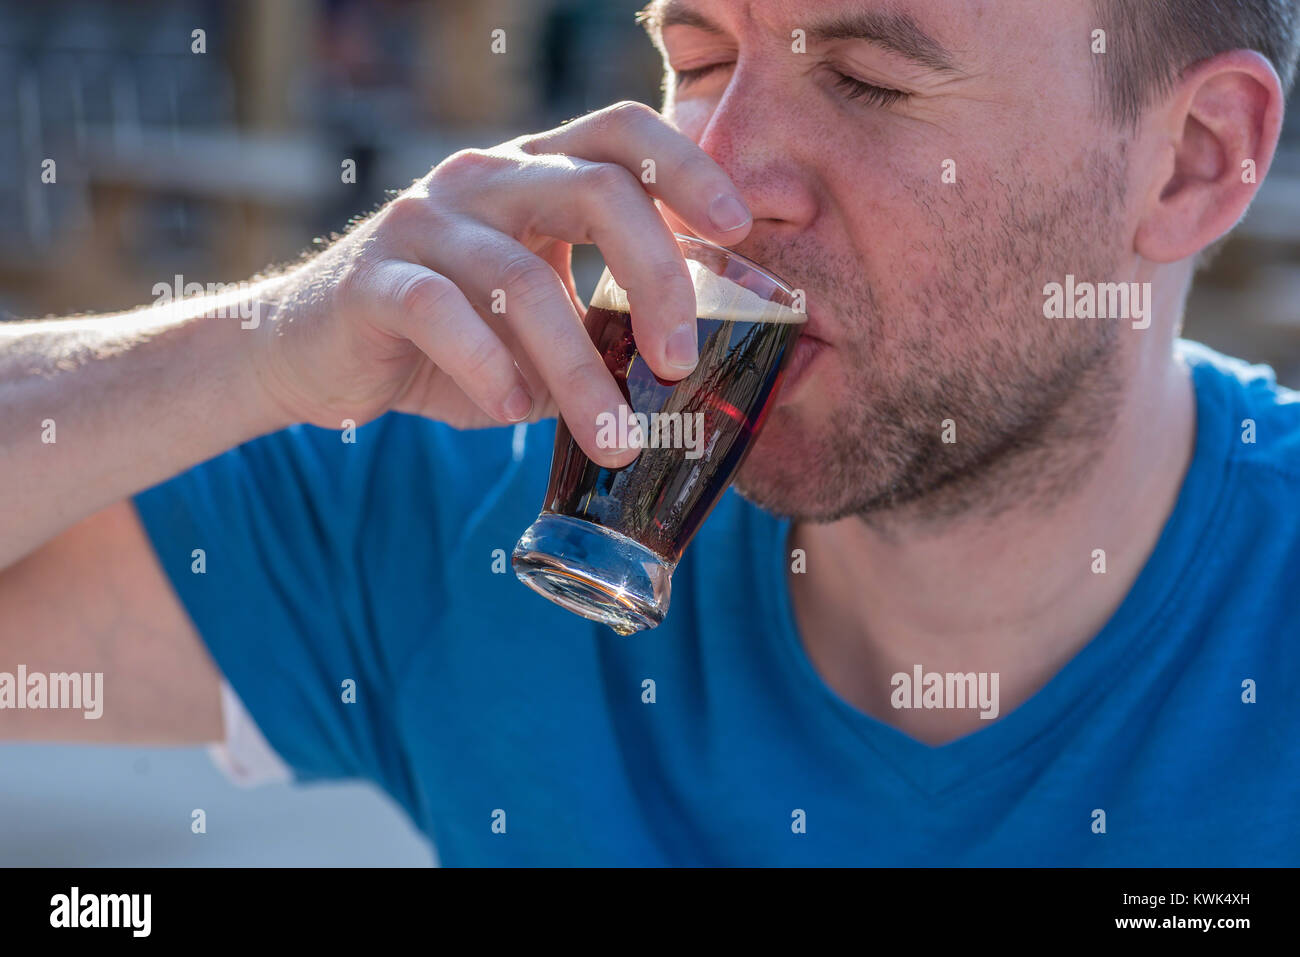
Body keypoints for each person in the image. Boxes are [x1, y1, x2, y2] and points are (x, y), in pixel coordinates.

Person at [3, 0, 1298, 866]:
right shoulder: (502, 478)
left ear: (1191, 159)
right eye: (703, 59)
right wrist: (263, 349)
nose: (719, 194)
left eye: (866, 82)